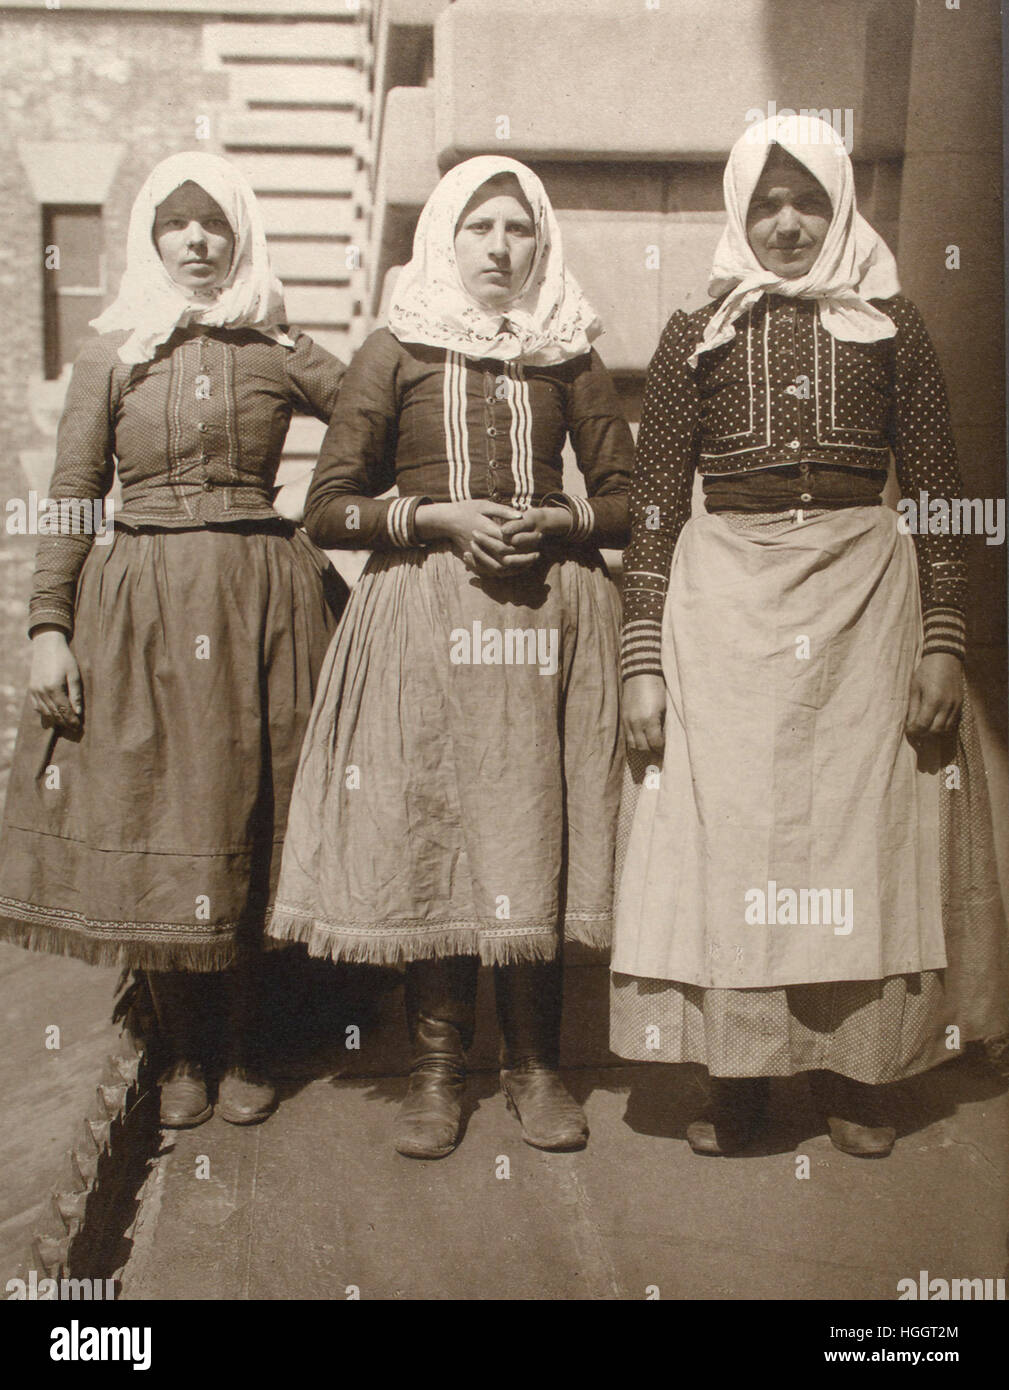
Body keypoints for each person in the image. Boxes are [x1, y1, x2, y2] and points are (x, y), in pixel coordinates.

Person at [612, 114, 1009, 1157]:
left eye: (809, 202)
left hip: (862, 601)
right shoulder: (693, 330)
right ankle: (736, 1076)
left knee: (857, 836)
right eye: (765, 203)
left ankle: (859, 1071)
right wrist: (642, 657)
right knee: (733, 838)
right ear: (739, 213)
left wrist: (942, 637)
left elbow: (940, 494)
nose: (787, 223)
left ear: (840, 211)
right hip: (725, 604)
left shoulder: (894, 325)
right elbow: (654, 500)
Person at [269, 155, 633, 1159]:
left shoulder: (569, 353)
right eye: (479, 228)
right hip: (423, 616)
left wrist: (555, 521)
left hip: (546, 621)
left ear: (540, 241)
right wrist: (437, 515)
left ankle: (536, 1066)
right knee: (439, 827)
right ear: (444, 237)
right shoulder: (396, 349)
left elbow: (630, 500)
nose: (499, 248)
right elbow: (327, 505)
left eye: (517, 229)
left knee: (532, 828)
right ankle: (437, 1070)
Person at [0, 151, 348, 1129]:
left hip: (260, 603)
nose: (197, 243)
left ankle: (246, 1045)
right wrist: (46, 627)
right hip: (138, 608)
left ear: (241, 238)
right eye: (176, 225)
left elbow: (370, 413)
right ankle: (182, 1048)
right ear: (150, 239)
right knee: (158, 809)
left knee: (244, 808)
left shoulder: (272, 345)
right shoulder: (113, 355)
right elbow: (72, 499)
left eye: (215, 226)